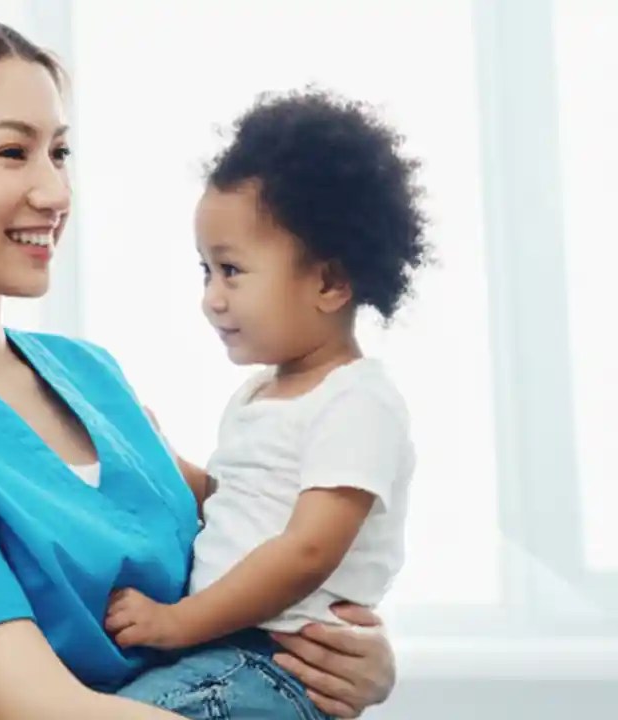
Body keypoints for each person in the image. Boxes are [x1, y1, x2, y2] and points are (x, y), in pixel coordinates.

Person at [0, 12, 397, 720]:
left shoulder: (92, 377)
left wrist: (349, 658)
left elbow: (260, 542)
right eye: (12, 153)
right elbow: (41, 709)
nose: (53, 193)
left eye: (60, 152)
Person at [108, 89, 426, 719]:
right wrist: (159, 457)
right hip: (227, 655)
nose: (211, 298)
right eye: (205, 271)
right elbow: (235, 507)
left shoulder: (358, 404)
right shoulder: (260, 395)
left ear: (330, 282)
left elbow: (306, 551)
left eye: (232, 271)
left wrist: (178, 623)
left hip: (273, 667)